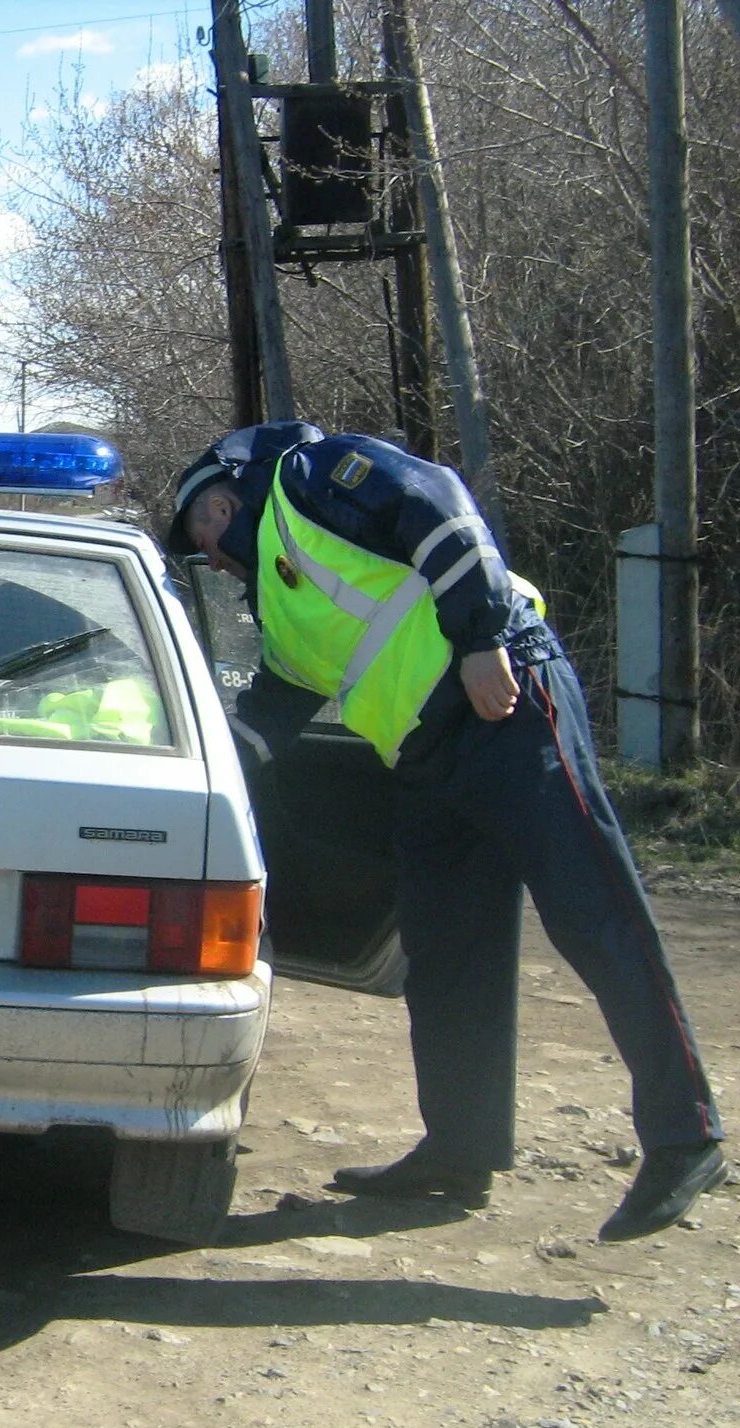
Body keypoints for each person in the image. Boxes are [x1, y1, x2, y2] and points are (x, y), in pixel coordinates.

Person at [161, 421, 725, 1243]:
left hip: (507, 701)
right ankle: (459, 1151)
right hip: (428, 758)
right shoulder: (278, 614)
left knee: (594, 915)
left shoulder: (305, 476)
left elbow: (439, 506)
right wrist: (197, 780)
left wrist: (480, 637)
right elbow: (266, 721)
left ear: (222, 498)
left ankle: (686, 1137)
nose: (208, 554)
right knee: (445, 949)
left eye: (202, 531)